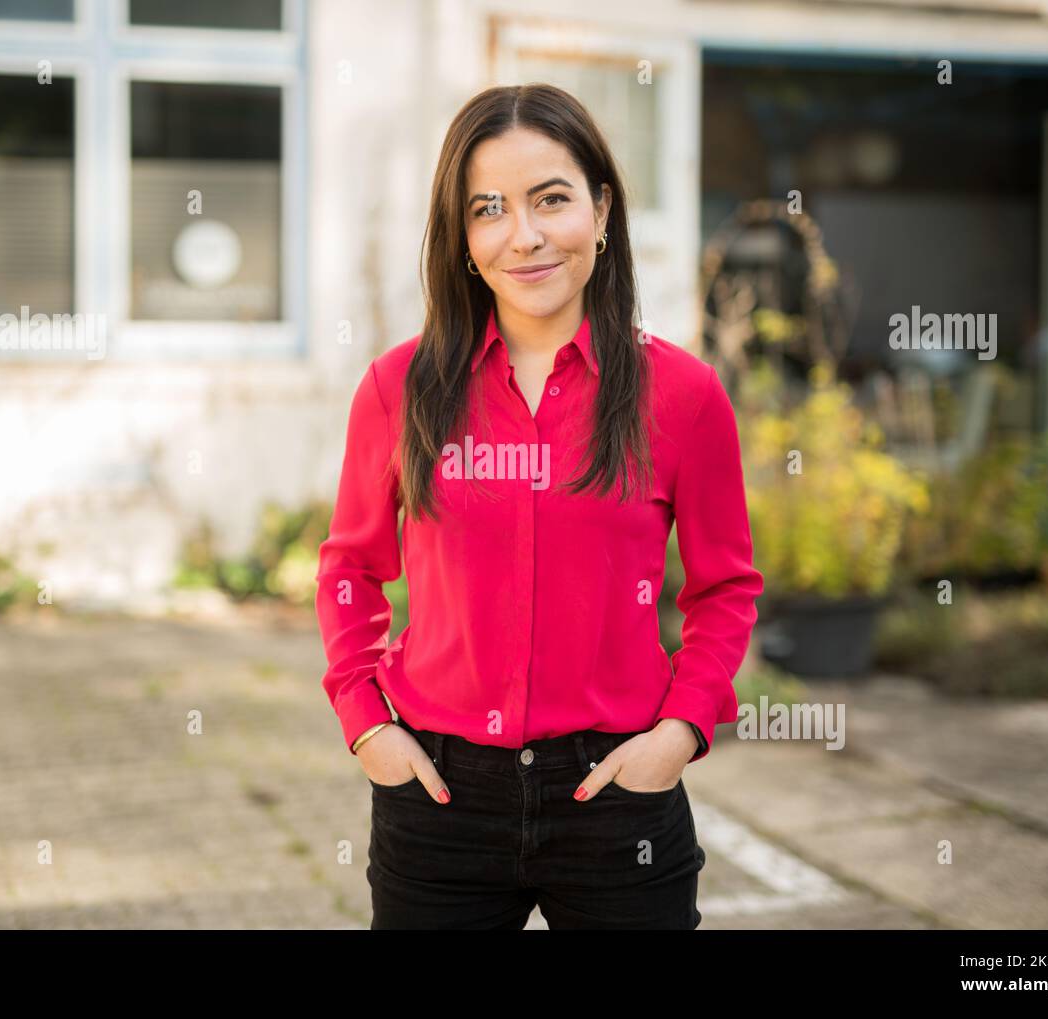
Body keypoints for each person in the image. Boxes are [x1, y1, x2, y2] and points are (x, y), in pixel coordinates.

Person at [315, 82, 763, 930]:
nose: (523, 235)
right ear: (464, 241)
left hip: (617, 796)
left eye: (550, 199)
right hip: (439, 799)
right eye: (488, 209)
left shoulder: (685, 395)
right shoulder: (398, 389)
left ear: (600, 209)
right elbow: (349, 568)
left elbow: (724, 587)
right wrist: (366, 721)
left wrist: (679, 733)